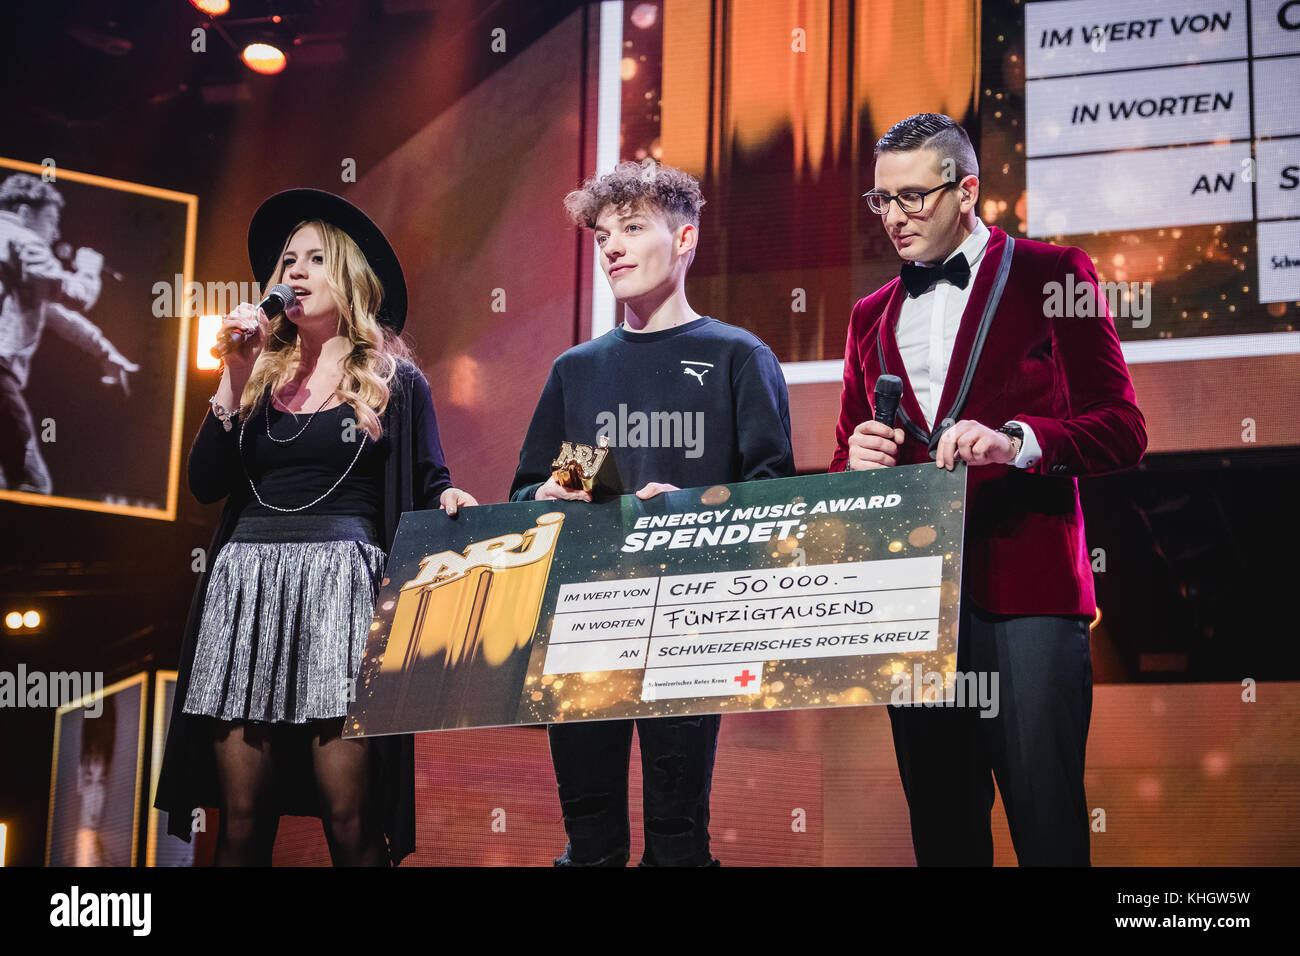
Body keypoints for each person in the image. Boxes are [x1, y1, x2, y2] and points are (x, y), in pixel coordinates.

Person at [830, 113, 1147, 865]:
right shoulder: (868, 314)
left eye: (913, 198)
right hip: (910, 605)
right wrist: (855, 462)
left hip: (1028, 593)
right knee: (943, 835)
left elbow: (1123, 429)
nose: (895, 219)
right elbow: (847, 464)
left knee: (1048, 828)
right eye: (881, 201)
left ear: (966, 189)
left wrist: (1019, 442)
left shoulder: (1055, 272)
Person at [155, 188, 476, 866]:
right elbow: (206, 484)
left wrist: (449, 499)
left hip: (344, 591)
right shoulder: (255, 377)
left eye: (315, 259)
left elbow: (428, 478)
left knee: (351, 816)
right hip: (246, 589)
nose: (293, 272)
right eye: (286, 261)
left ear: (352, 278)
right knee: (240, 819)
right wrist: (231, 373)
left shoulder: (393, 379)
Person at [510, 161, 795, 866]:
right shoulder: (578, 369)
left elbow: (776, 502)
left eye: (632, 229)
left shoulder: (736, 357)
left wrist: (689, 509)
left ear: (686, 239)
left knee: (676, 838)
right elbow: (529, 494)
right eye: (603, 234)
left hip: (690, 625)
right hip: (585, 624)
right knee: (591, 840)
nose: (611, 246)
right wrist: (549, 498)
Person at [0, 173, 137, 494]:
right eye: (50, 220)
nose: (56, 232)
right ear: (24, 212)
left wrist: (103, 350)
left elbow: (53, 313)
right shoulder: (20, 238)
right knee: (31, 485)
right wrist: (87, 266)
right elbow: (77, 296)